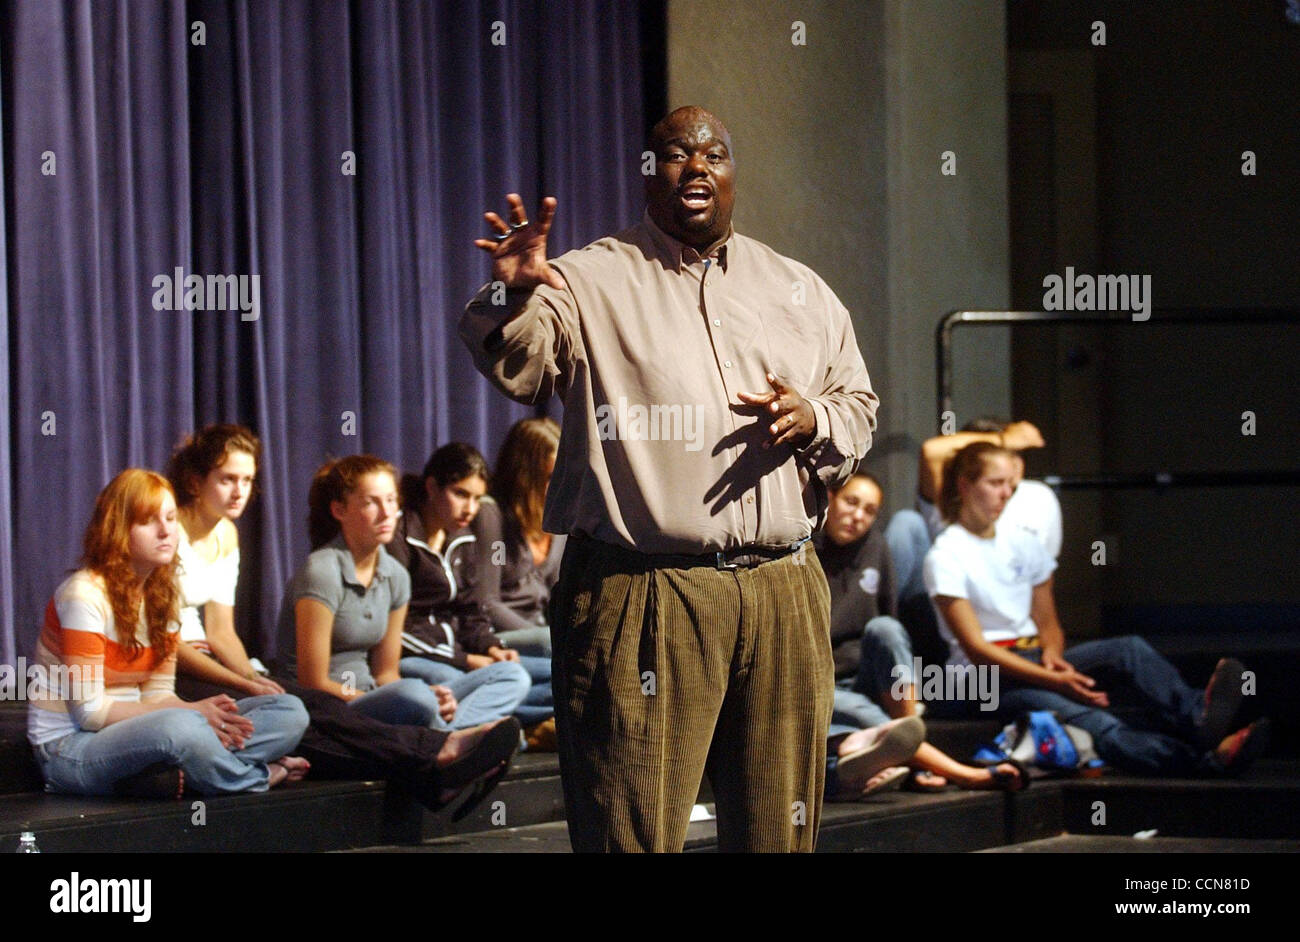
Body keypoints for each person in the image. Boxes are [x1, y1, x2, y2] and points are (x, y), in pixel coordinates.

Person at [461, 106, 878, 852]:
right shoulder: (588, 279)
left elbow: (858, 405)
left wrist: (813, 417)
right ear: (648, 174)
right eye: (675, 154)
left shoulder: (799, 289)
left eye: (713, 154)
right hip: (644, 593)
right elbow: (518, 365)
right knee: (633, 830)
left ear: (732, 174)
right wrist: (513, 293)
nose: (696, 166)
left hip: (784, 588)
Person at [169, 425, 518, 812]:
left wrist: (251, 680)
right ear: (194, 480)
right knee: (308, 714)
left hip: (216, 665)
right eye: (228, 479)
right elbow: (165, 645)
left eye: (248, 480)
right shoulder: (171, 533)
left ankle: (437, 769)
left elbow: (221, 631)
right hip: (176, 670)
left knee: (316, 709)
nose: (240, 491)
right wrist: (241, 682)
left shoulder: (226, 535)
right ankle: (439, 755)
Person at [922, 442, 1268, 777]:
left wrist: (1054, 657)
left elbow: (1048, 622)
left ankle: (1196, 715)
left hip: (1034, 657)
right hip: (982, 678)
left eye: (1010, 485)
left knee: (1127, 649)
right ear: (965, 485)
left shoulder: (1021, 540)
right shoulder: (947, 553)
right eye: (995, 483)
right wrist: (1056, 681)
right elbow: (977, 650)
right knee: (1095, 722)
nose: (1005, 494)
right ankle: (1205, 762)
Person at [27, 468, 309, 797]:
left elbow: (158, 695)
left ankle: (181, 770)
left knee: (287, 710)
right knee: (182, 727)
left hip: (143, 733)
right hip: (70, 750)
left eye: (171, 518)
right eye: (149, 521)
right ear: (117, 530)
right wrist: (191, 714)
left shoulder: (165, 595)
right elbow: (91, 713)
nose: (166, 531)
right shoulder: (83, 595)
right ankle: (253, 777)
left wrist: (196, 719)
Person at [276, 455, 522, 808]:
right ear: (339, 511)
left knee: (509, 675)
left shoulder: (395, 575)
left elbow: (386, 671)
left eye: (391, 501)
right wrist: (406, 695)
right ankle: (459, 746)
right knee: (415, 696)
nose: (386, 512)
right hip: (329, 706)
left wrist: (425, 694)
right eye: (371, 502)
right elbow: (312, 681)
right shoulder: (323, 571)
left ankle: (454, 744)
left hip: (374, 695)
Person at [816, 472, 1027, 793]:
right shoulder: (803, 549)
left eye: (870, 511)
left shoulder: (875, 545)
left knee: (886, 629)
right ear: (830, 498)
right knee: (854, 718)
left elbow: (888, 622)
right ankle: (960, 773)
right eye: (851, 502)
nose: (858, 516)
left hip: (866, 679)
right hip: (817, 683)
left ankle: (898, 741)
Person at [388, 443, 554, 737]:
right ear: (432, 487)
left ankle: (497, 724)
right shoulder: (400, 539)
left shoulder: (462, 537)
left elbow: (471, 610)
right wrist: (466, 661)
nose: (470, 509)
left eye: (477, 498)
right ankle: (456, 739)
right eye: (461, 494)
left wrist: (491, 647)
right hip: (418, 657)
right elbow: (398, 631)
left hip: (460, 652)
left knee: (562, 679)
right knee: (499, 679)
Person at [468, 417, 566, 658]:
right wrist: (543, 637)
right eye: (551, 477)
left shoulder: (559, 517)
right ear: (525, 476)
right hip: (497, 636)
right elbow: (486, 603)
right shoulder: (491, 514)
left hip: (544, 636)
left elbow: (559, 594)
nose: (560, 486)